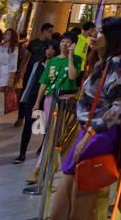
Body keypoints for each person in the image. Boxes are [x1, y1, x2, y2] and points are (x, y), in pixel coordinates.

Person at [20, 17, 121, 220]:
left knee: (79, 217)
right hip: (84, 137)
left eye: (98, 34)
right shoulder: (100, 63)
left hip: (96, 139)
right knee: (58, 215)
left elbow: (120, 107)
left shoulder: (117, 66)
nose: (92, 37)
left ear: (112, 37)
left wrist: (93, 131)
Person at [14, 31, 81, 164]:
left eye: (68, 42)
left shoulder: (76, 59)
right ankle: (32, 157)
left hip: (64, 100)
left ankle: (44, 162)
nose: (64, 44)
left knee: (54, 131)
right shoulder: (52, 62)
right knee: (41, 127)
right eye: (63, 41)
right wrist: (37, 101)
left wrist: (70, 57)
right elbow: (43, 83)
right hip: (48, 97)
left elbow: (73, 76)